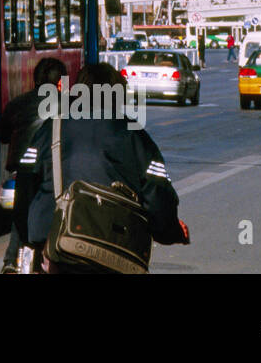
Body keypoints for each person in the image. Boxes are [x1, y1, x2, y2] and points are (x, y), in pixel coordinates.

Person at [15, 62, 190, 273]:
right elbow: (157, 195)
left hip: (57, 250)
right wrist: (170, 232)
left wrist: (31, 238)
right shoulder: (132, 134)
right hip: (112, 251)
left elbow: (24, 189)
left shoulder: (51, 128)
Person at [0, 57, 68, 273]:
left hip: (24, 171)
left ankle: (10, 261)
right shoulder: (71, 104)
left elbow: (0, 132)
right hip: (55, 172)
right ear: (60, 83)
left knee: (21, 215)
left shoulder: (19, 103)